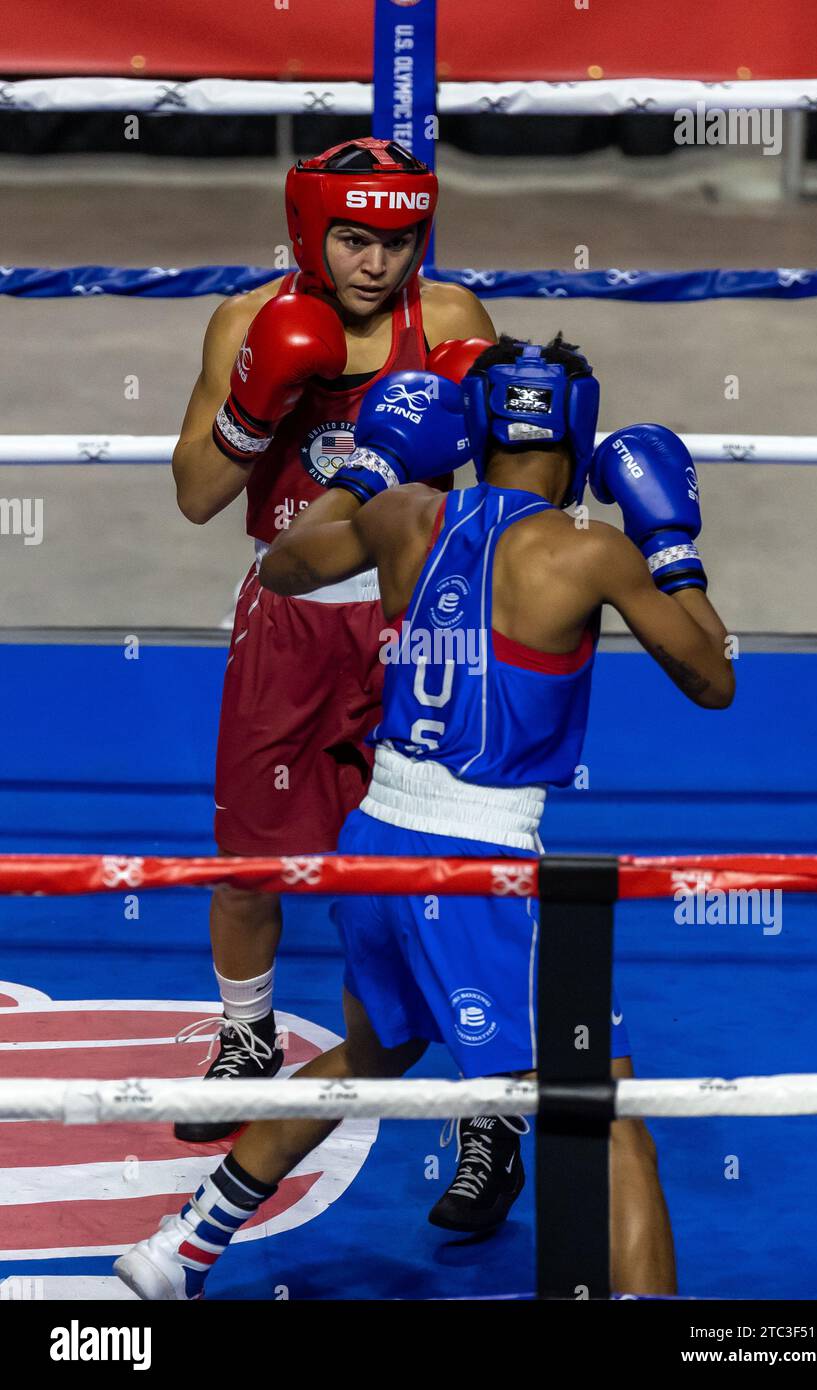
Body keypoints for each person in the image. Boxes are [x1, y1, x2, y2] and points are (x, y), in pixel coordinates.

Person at [115, 335, 733, 1300]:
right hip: (480, 859)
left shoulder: (405, 515)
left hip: (377, 841)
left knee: (375, 1050)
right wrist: (672, 541)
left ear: (476, 424)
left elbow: (282, 564)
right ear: (578, 428)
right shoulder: (591, 551)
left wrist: (366, 468)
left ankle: (177, 1249)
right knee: (610, 1119)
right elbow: (713, 678)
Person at [170, 136, 495, 1149]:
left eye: (397, 242)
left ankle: (488, 1096)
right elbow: (194, 496)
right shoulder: (246, 321)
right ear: (314, 230)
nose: (375, 264)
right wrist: (252, 407)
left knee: (452, 867)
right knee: (248, 863)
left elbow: (505, 494)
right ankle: (244, 1038)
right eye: (354, 239)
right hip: (290, 615)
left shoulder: (447, 319)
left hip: (413, 619)